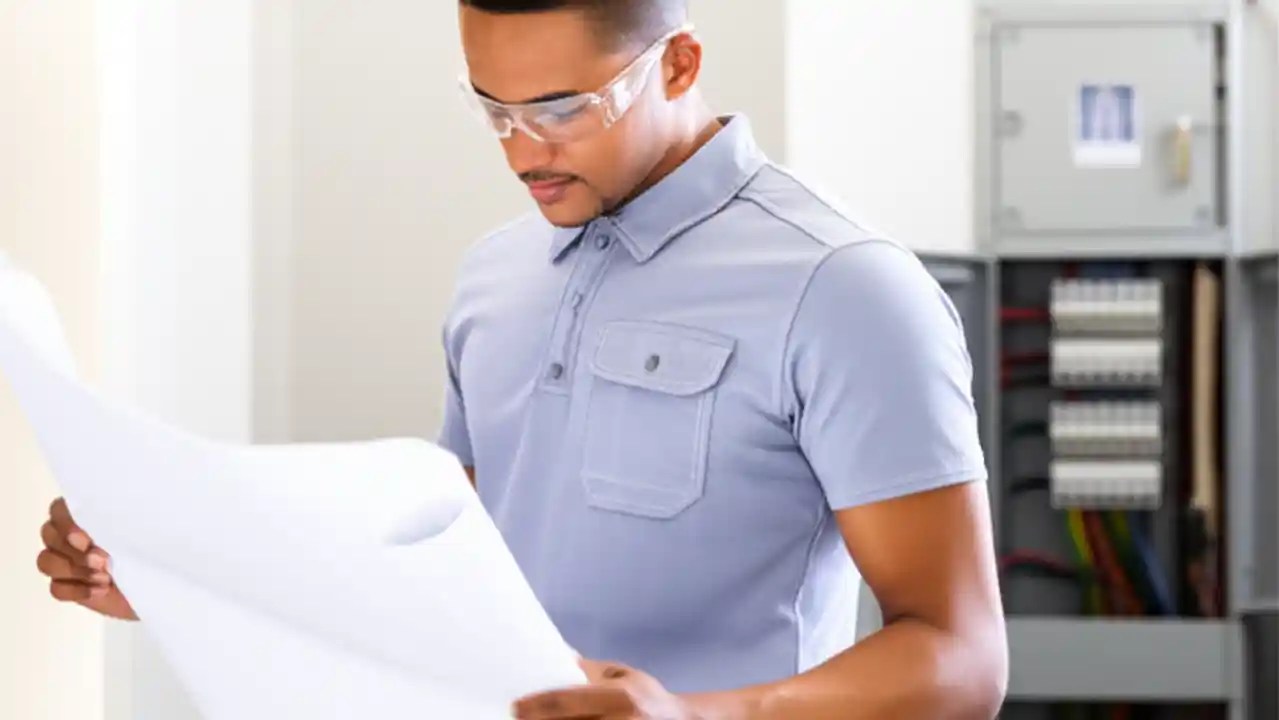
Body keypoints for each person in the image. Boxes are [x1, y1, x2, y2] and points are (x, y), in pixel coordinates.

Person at [36, 1, 1009, 717]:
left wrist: (697, 717)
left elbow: (960, 658)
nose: (520, 152)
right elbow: (419, 576)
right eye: (492, 110)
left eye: (560, 109)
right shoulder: (494, 278)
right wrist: (181, 578)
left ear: (679, 63)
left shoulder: (844, 290)